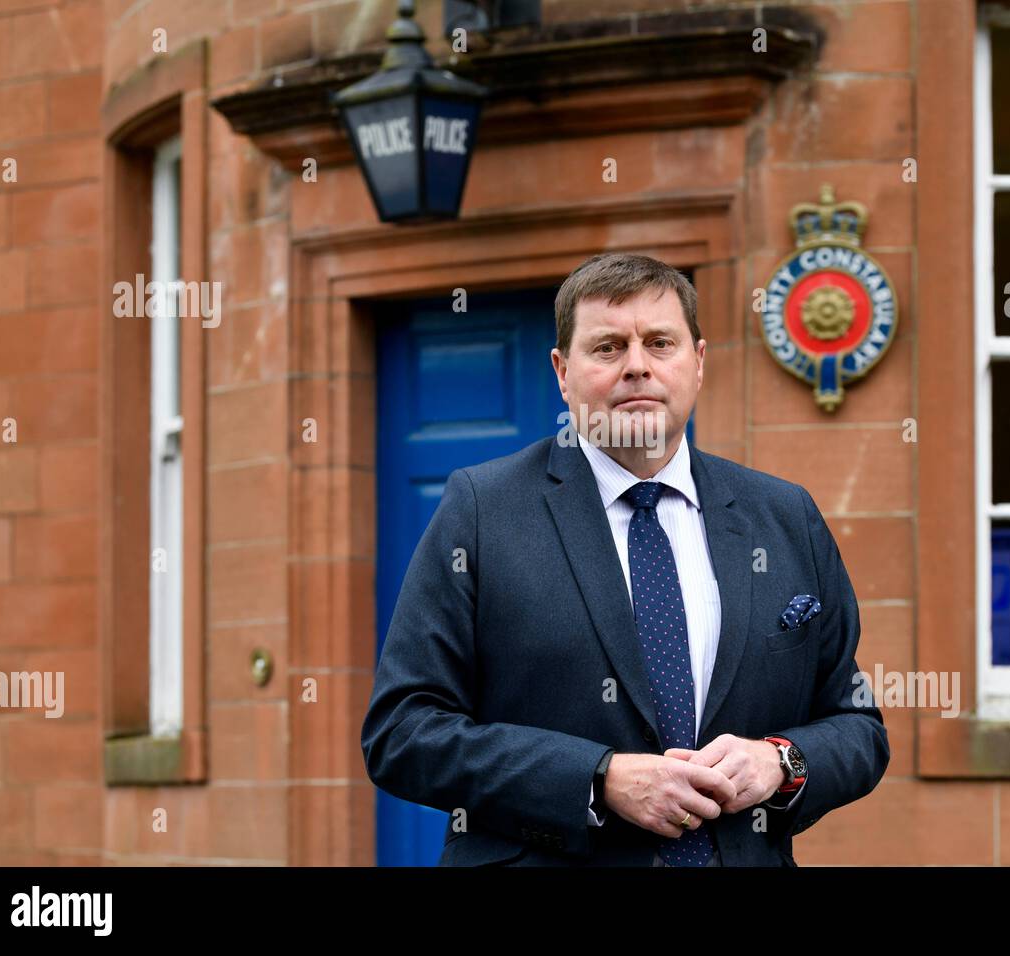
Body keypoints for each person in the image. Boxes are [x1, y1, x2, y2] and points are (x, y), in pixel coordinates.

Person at [360, 252, 889, 866]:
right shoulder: (481, 510)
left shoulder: (785, 514)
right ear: (563, 372)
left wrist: (780, 761)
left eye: (660, 343)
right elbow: (403, 732)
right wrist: (596, 778)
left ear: (697, 362)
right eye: (608, 348)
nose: (637, 366)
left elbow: (858, 728)